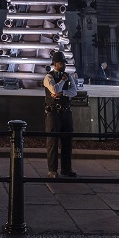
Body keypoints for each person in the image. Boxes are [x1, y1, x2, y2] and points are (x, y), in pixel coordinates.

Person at [43, 49, 78, 178]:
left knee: (67, 141)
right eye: (60, 63)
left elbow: (74, 91)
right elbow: (53, 89)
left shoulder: (69, 76)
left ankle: (66, 168)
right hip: (52, 112)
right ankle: (52, 170)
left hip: (66, 111)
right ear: (54, 64)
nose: (63, 65)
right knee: (52, 141)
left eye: (63, 63)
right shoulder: (49, 77)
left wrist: (63, 93)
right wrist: (62, 82)